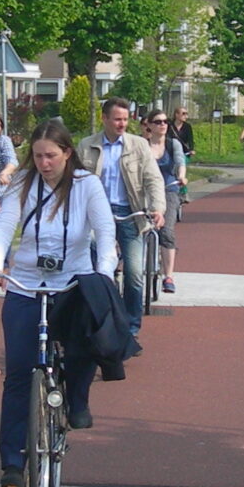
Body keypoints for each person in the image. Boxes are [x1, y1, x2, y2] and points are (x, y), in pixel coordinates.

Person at [0, 120, 117, 484]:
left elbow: (104, 232)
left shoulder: (86, 186)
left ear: (67, 154)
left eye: (51, 156)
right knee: (18, 373)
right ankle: (12, 461)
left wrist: (102, 275)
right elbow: (4, 225)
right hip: (25, 282)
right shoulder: (22, 184)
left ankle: (77, 399)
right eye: (37, 156)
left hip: (72, 282)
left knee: (80, 350)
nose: (44, 163)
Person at [75, 96, 165, 340]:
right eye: (117, 119)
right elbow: (75, 180)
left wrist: (157, 208)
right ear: (104, 118)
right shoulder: (86, 145)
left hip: (129, 214)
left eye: (125, 119)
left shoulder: (138, 146)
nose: (122, 124)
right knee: (95, 272)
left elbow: (153, 179)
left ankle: (130, 328)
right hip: (96, 216)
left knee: (134, 274)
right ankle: (98, 324)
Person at [141, 109, 186, 293]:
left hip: (168, 189)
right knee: (130, 226)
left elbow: (180, 161)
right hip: (143, 191)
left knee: (167, 231)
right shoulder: (141, 145)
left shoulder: (172, 144)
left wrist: (182, 176)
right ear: (149, 125)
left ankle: (168, 276)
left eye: (165, 121)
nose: (163, 125)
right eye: (158, 122)